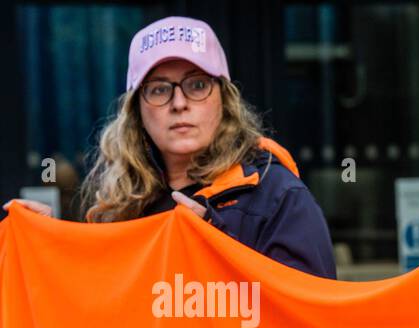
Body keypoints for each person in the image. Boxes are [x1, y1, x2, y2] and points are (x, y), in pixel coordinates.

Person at [4, 16, 335, 279]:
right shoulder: (120, 206)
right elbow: (98, 319)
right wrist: (49, 249)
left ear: (225, 99)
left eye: (198, 85)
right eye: (159, 89)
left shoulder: (279, 197)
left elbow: (309, 326)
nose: (179, 103)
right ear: (136, 110)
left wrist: (214, 247)